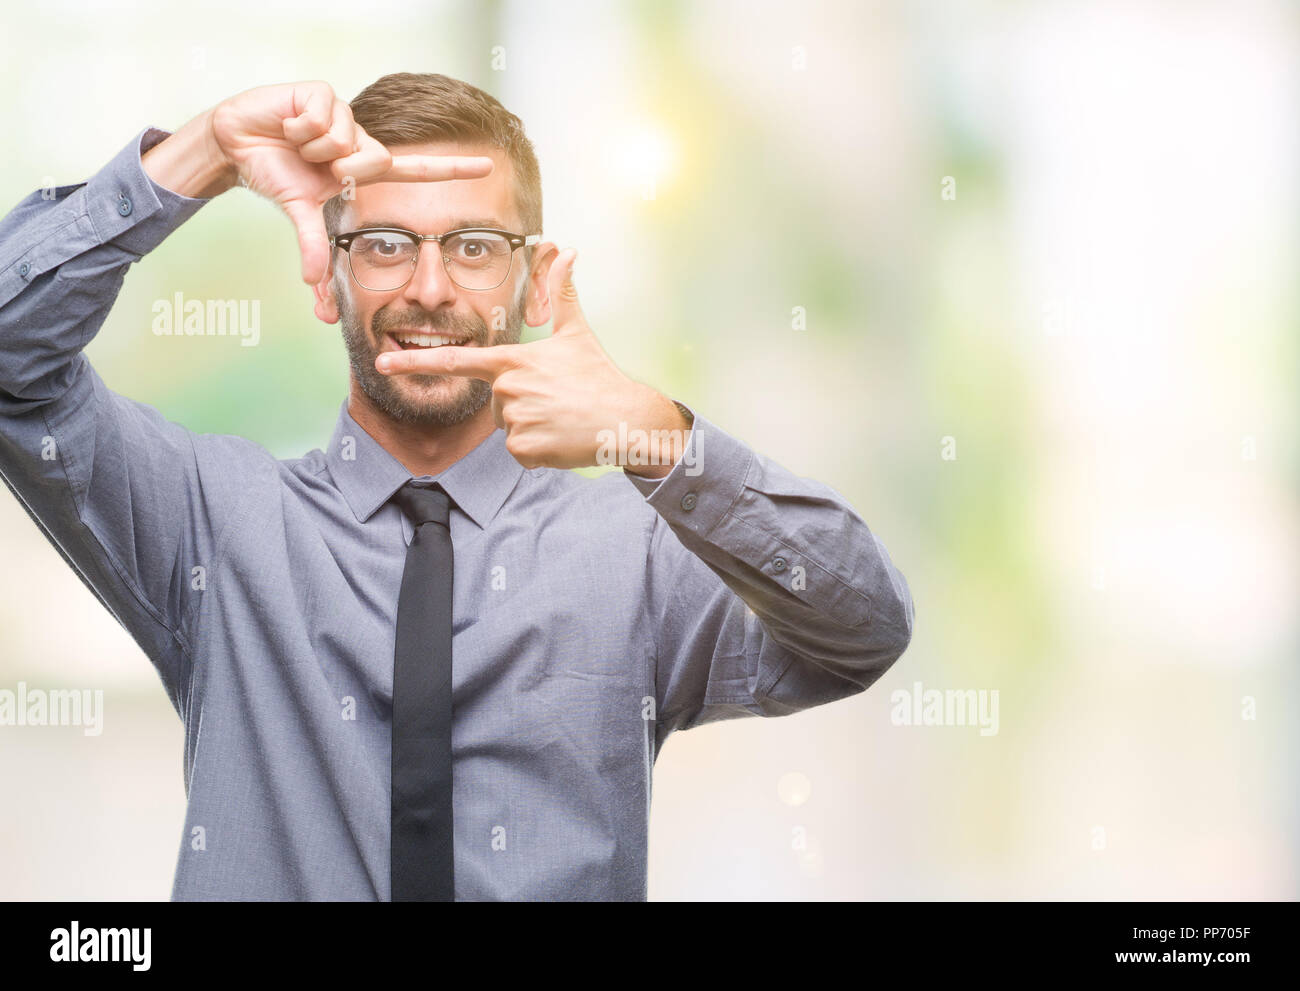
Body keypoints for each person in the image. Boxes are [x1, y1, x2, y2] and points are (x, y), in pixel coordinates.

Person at [0, 73, 914, 900]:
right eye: (385, 244)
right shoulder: (213, 523)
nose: (430, 288)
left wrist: (655, 433)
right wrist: (203, 151)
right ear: (328, 278)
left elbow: (863, 630)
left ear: (533, 282)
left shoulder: (636, 548)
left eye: (474, 246)